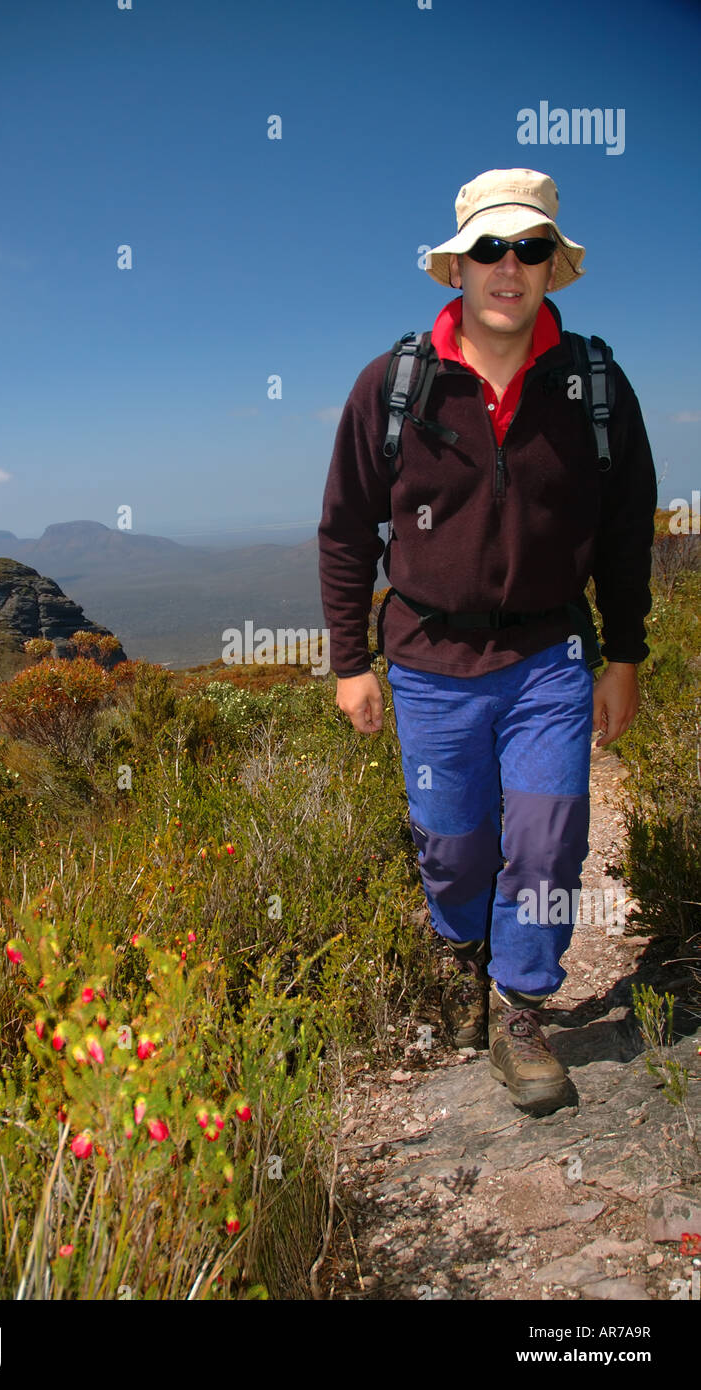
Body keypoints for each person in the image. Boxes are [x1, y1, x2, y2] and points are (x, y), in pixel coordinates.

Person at [317, 168, 657, 1115]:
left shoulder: (592, 386)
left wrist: (622, 656)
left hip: (549, 658)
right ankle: (458, 947)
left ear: (553, 265)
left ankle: (520, 1005)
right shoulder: (392, 387)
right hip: (428, 665)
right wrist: (350, 662)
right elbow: (346, 531)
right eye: (489, 249)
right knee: (453, 846)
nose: (509, 267)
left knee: (547, 840)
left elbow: (629, 531)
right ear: (456, 267)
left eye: (530, 248)